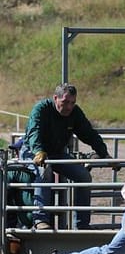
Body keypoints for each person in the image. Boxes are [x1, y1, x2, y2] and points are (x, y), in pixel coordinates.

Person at [20, 83, 112, 230]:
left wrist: (104, 153)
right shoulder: (41, 109)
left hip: (57, 153)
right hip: (32, 152)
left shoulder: (74, 113)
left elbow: (88, 133)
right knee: (44, 171)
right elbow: (34, 131)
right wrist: (38, 151)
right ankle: (40, 220)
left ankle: (81, 224)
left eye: (72, 103)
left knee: (83, 176)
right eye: (65, 102)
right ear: (55, 98)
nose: (69, 107)